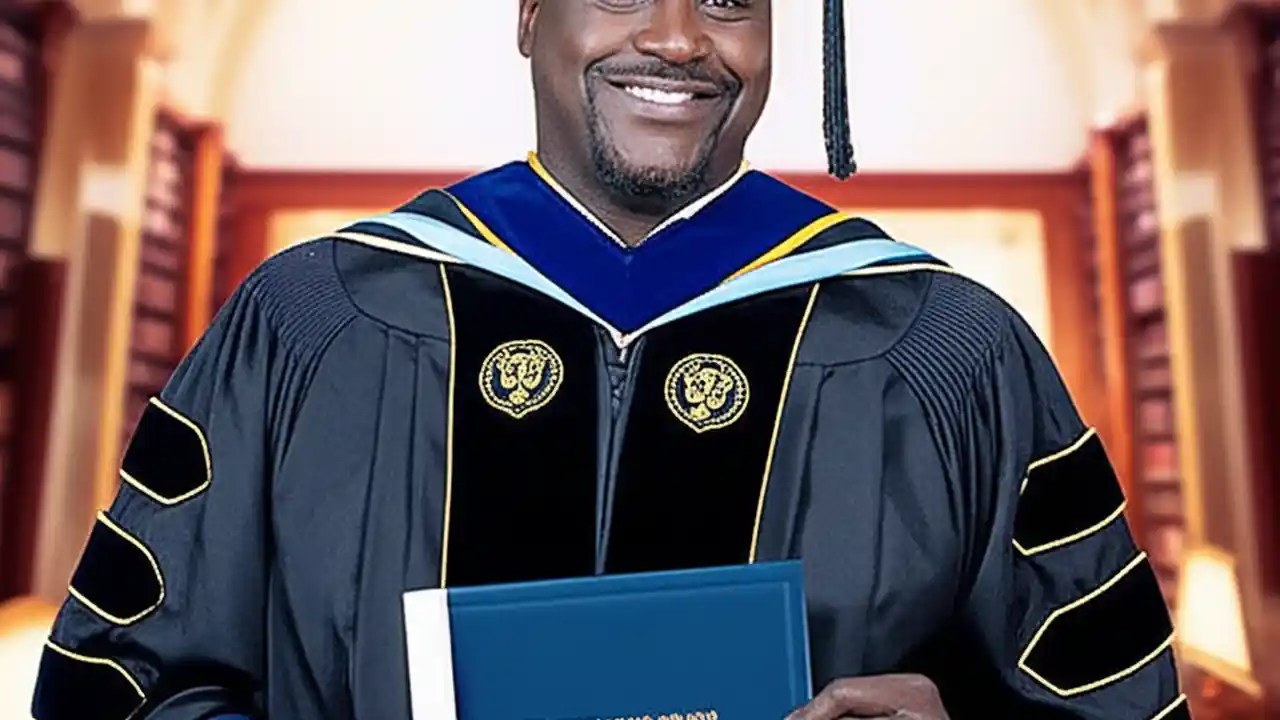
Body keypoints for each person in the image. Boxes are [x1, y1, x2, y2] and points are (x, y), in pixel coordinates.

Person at [33, 1, 1187, 718]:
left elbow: (1110, 697)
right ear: (528, 11)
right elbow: (126, 683)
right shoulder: (305, 325)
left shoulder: (946, 350)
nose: (678, 37)